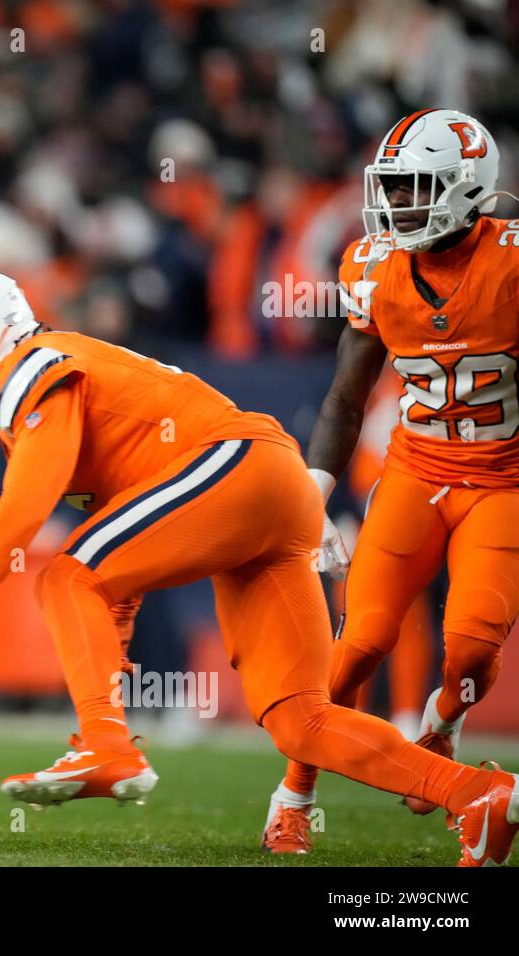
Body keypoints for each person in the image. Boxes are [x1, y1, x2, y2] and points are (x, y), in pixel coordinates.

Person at [0, 268, 518, 866]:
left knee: (63, 575)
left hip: (239, 464)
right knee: (302, 722)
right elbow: (119, 548)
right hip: (262, 489)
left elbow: (25, 509)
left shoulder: (30, 367)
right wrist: (111, 649)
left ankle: (106, 747)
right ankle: (478, 794)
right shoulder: (47, 376)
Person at [261, 109, 519, 853]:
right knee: (357, 645)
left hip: (502, 483)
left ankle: (441, 722)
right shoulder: (372, 266)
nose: (400, 205)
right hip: (415, 471)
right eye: (394, 189)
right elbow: (346, 395)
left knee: (469, 650)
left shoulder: (509, 263)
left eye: (418, 189)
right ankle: (293, 796)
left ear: (470, 189)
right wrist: (312, 492)